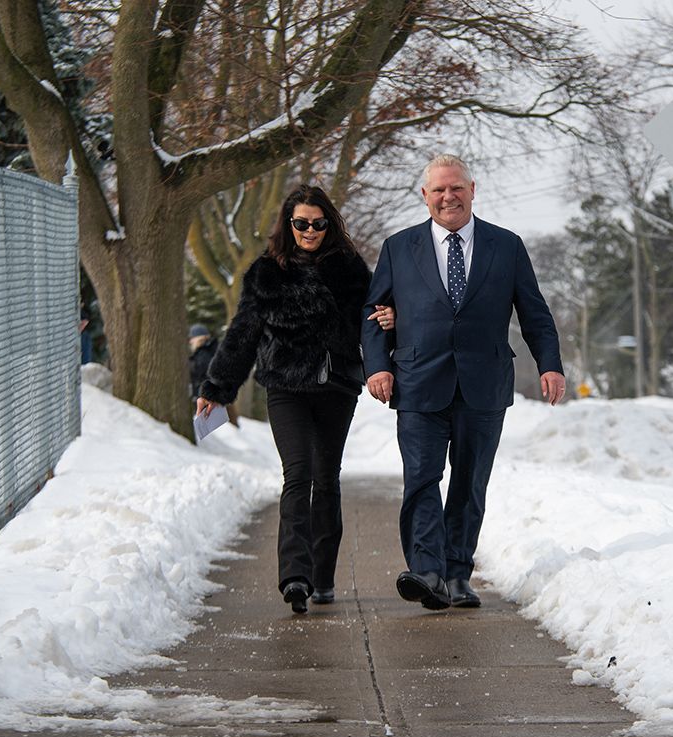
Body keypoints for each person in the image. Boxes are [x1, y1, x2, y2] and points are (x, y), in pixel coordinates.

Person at [361, 154, 565, 611]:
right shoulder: (398, 247)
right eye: (438, 190)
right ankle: (427, 570)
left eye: (456, 188)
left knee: (470, 483)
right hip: (417, 382)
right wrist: (377, 366)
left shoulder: (506, 246)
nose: (448, 197)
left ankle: (457, 574)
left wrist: (550, 364)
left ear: (473, 189)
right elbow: (374, 316)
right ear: (425, 196)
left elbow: (535, 312)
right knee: (422, 478)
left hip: (484, 383)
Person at [196, 184, 392, 614]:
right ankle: (295, 577)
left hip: (337, 387)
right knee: (298, 474)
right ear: (288, 225)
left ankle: (323, 577)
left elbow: (375, 320)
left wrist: (389, 322)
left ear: (329, 225)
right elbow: (243, 335)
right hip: (286, 387)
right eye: (301, 223)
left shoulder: (351, 270)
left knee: (326, 479)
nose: (309, 230)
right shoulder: (267, 273)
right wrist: (217, 388)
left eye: (318, 223)